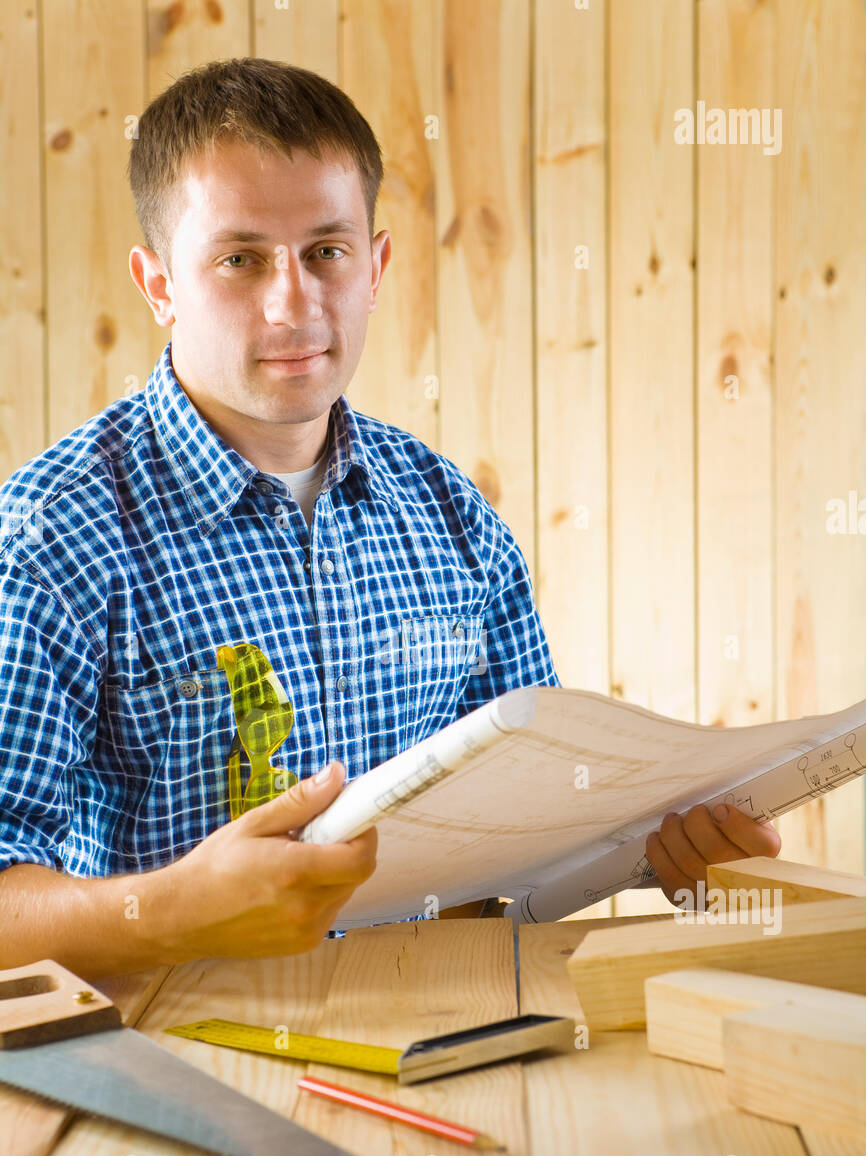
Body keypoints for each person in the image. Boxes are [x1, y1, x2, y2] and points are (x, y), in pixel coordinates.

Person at [0, 59, 780, 977]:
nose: (294, 302)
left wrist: (657, 858)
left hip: (458, 1046)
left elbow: (531, 839)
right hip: (181, 1076)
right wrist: (166, 913)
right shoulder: (49, 539)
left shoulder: (450, 513)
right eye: (240, 258)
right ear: (159, 283)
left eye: (326, 251)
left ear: (373, 267)